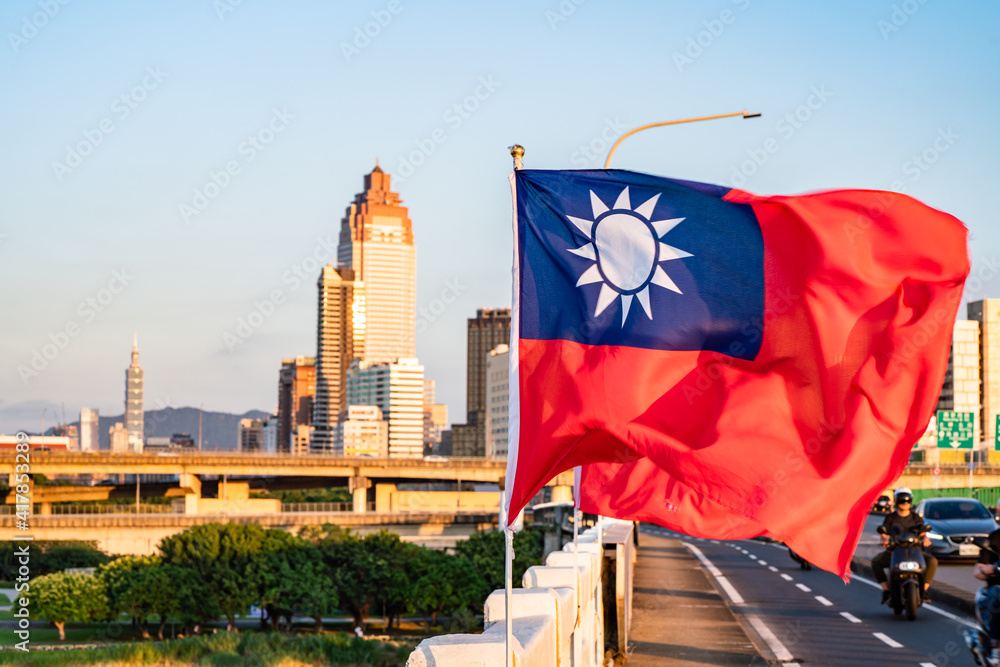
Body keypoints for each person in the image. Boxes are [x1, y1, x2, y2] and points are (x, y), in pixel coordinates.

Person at [871, 487, 937, 603]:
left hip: (914, 551)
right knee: (876, 562)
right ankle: (886, 590)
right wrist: (884, 540)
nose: (904, 504)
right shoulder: (890, 518)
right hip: (894, 551)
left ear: (911, 501)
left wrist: (925, 539)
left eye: (907, 501)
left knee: (932, 561)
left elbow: (922, 533)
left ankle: (924, 590)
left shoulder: (916, 518)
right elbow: (884, 533)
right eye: (901, 501)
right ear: (897, 501)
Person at [974, 521, 1000, 659]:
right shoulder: (995, 537)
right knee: (996, 593)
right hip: (998, 585)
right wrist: (984, 570)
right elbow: (979, 569)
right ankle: (995, 643)